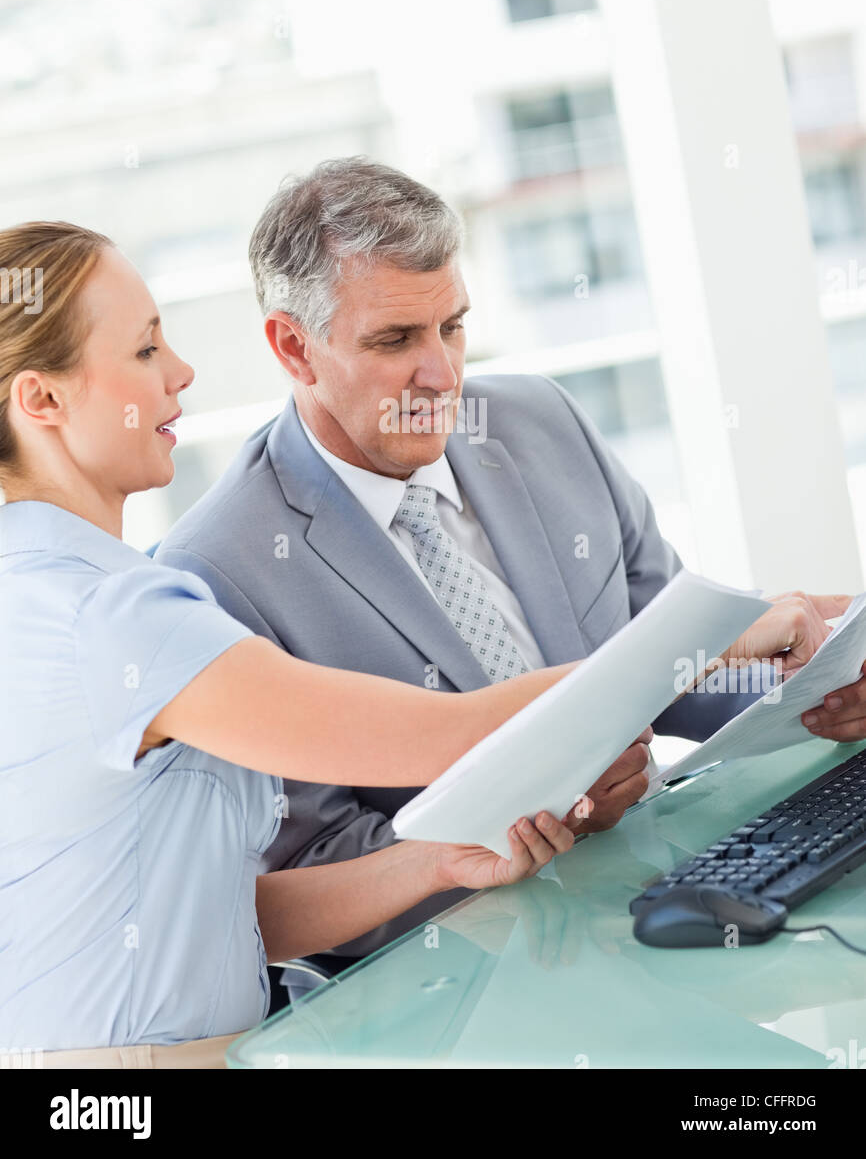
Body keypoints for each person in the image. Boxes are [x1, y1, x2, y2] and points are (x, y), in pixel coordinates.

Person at [156, 157, 859, 982]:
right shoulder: (214, 573)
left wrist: (819, 689)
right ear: (292, 348)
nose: (443, 375)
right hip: (460, 976)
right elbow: (309, 877)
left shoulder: (542, 422)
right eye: (395, 341)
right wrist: (541, 807)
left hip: (666, 898)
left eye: (451, 326)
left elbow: (678, 669)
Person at [0, 220, 593, 1068]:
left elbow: (213, 916)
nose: (181, 372)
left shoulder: (27, 586)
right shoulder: (113, 615)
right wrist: (706, 642)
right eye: (144, 350)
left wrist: (434, 863)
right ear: (43, 401)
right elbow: (452, 733)